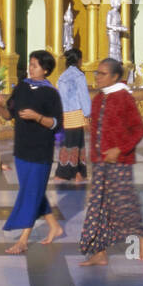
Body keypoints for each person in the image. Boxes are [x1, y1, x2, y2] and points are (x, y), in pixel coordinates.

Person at [79, 58, 143, 266]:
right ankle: (98, 252)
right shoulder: (99, 99)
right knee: (97, 207)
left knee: (123, 204)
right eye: (96, 73)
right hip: (99, 161)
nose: (97, 77)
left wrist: (120, 149)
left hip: (120, 161)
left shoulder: (123, 98)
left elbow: (139, 130)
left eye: (102, 74)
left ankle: (142, 236)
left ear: (115, 77)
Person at [0, 50, 65, 254]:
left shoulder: (51, 94)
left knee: (30, 192)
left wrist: (37, 117)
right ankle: (55, 226)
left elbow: (57, 124)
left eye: (35, 65)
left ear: (45, 70)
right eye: (30, 64)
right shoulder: (22, 87)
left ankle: (23, 240)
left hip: (41, 149)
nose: (30, 68)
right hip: (22, 148)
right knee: (32, 190)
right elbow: (9, 115)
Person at [54, 48, 91, 184]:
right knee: (77, 144)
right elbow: (83, 96)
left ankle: (68, 172)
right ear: (79, 60)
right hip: (76, 114)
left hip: (65, 115)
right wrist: (88, 113)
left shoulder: (62, 77)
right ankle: (73, 173)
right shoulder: (79, 76)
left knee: (67, 144)